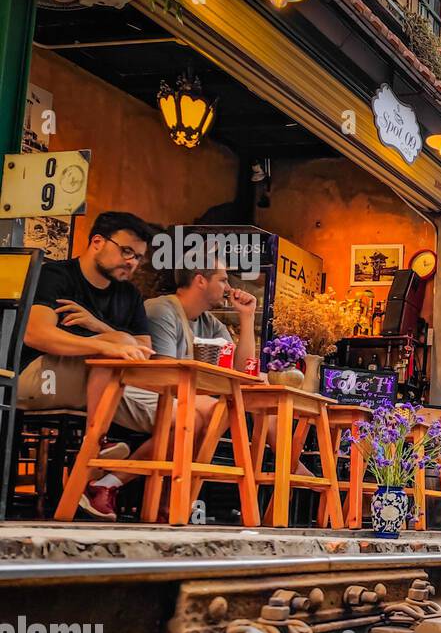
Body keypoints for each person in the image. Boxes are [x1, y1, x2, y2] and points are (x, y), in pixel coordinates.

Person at [73, 262, 262, 520]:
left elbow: (241, 372)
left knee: (215, 412)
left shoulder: (211, 324)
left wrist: (247, 317)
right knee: (205, 413)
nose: (228, 287)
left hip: (176, 397)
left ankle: (154, 499)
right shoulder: (162, 310)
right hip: (134, 391)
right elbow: (164, 373)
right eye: (223, 279)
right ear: (200, 280)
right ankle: (126, 490)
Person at [17, 212, 158, 518]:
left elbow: (144, 351)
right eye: (126, 251)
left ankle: (104, 484)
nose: (132, 263)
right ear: (97, 242)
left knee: (197, 412)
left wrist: (100, 328)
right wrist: (109, 344)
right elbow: (35, 334)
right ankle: (97, 446)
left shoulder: (129, 295)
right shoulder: (56, 275)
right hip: (40, 376)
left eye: (139, 257)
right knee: (113, 353)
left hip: (105, 386)